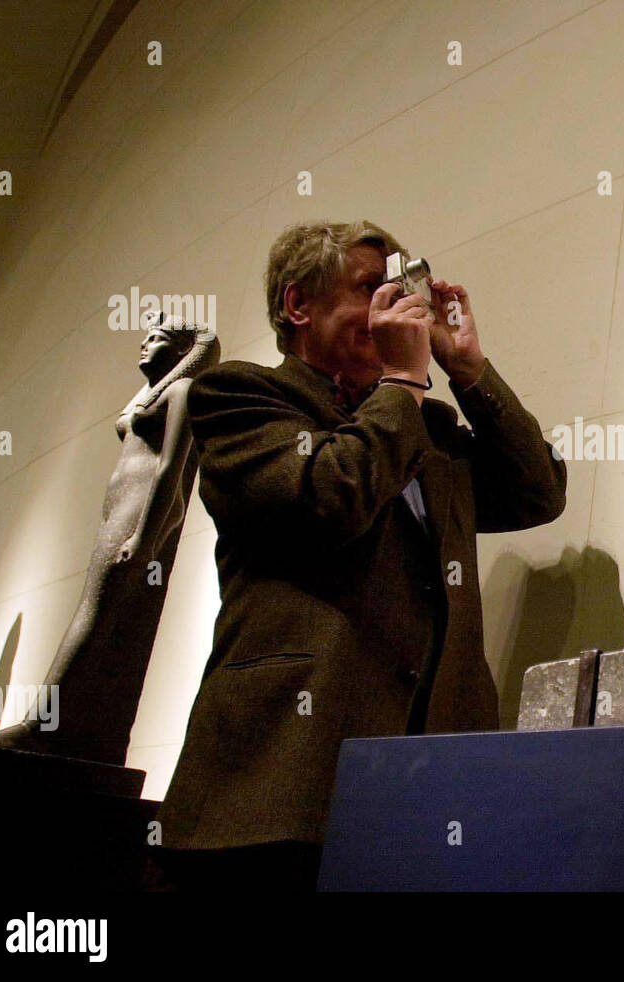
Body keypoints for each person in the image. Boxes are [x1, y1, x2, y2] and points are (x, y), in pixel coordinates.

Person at [150, 220, 566, 890]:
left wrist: (468, 370)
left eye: (398, 291)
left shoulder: (427, 427)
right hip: (279, 785)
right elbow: (329, 497)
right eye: (369, 288)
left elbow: (537, 493)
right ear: (298, 306)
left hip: (426, 794)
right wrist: (403, 379)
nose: (390, 307)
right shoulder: (239, 397)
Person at [0, 313, 219, 764]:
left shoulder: (182, 391)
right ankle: (76, 733)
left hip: (137, 515)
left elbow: (170, 471)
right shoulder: (152, 395)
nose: (144, 343)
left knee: (94, 616)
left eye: (157, 338)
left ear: (183, 352)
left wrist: (145, 537)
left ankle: (41, 726)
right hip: (118, 516)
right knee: (104, 621)